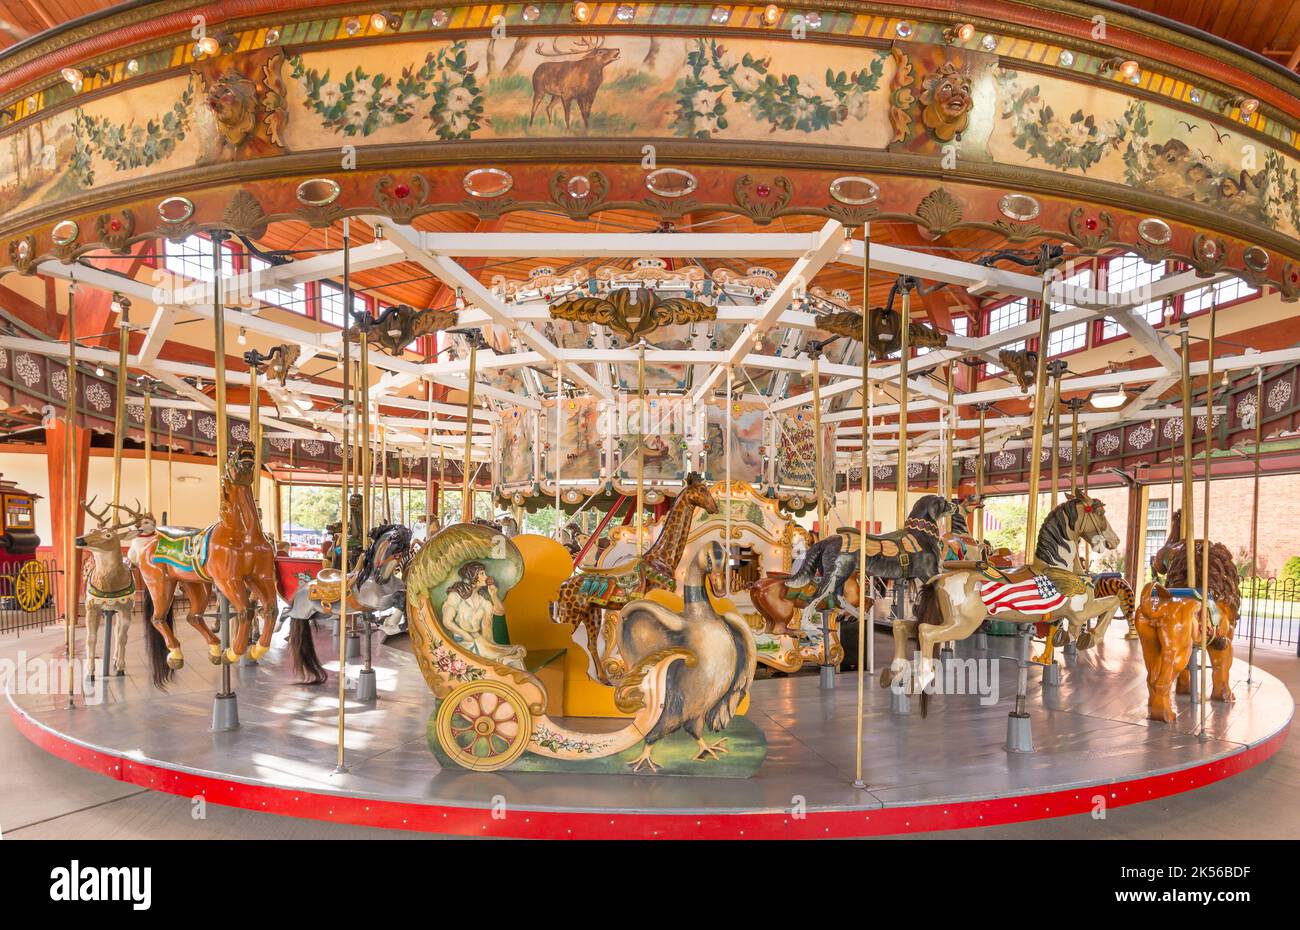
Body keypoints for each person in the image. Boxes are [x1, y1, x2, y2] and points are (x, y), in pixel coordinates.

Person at [442, 561, 526, 669]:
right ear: (472, 577)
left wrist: (493, 595)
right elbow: (447, 621)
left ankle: (518, 684)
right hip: (464, 645)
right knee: (510, 657)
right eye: (482, 574)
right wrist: (465, 635)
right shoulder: (456, 596)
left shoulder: (483, 602)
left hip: (481, 642)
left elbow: (500, 612)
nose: (486, 576)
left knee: (516, 654)